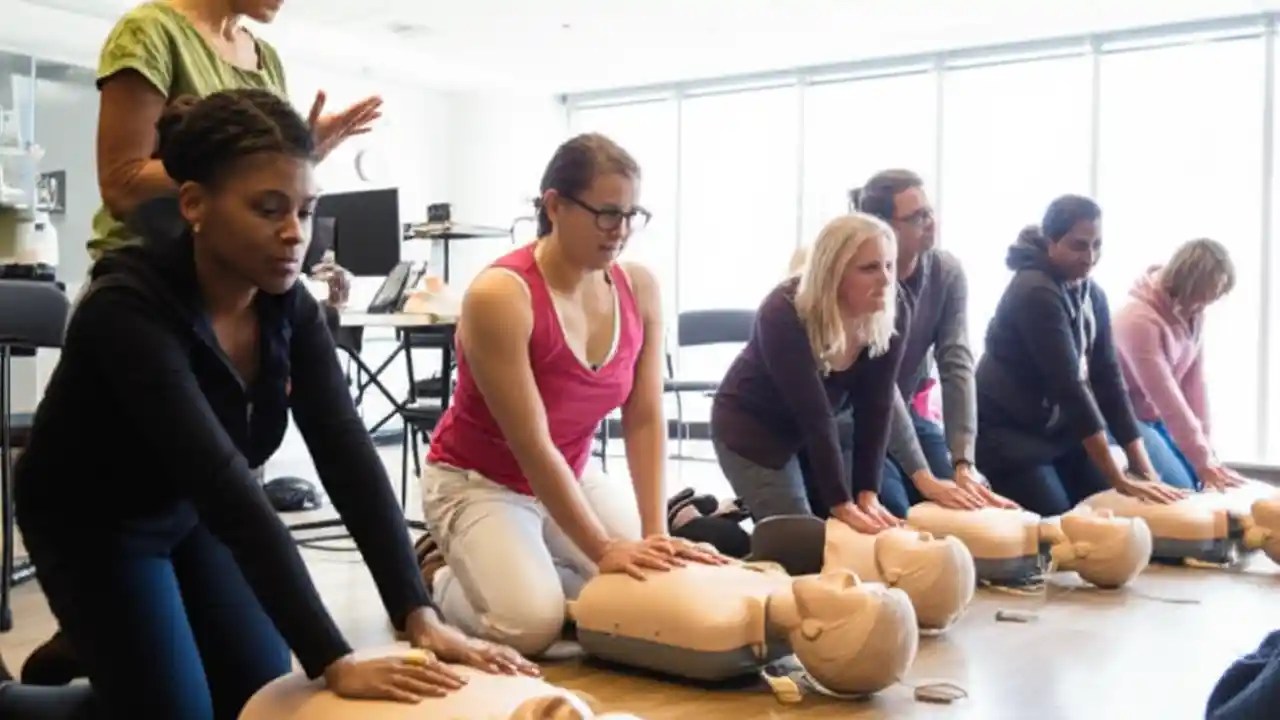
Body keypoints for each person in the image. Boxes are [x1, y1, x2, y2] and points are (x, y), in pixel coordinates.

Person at [14, 89, 537, 720]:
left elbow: (346, 455)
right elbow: (228, 490)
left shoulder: (290, 308)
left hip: (190, 515)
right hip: (95, 526)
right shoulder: (126, 310)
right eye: (268, 210)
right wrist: (333, 656)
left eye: (306, 210)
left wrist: (416, 612)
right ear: (194, 205)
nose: (295, 234)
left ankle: (114, 650)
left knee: (256, 701)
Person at [419, 133, 727, 659]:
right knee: (531, 627)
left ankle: (535, 565)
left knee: (650, 582)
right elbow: (531, 443)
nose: (622, 231)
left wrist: (655, 535)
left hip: (570, 470)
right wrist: (604, 549)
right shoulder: (500, 295)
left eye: (632, 214)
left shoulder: (640, 287)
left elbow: (646, 416)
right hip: (481, 481)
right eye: (607, 214)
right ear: (555, 205)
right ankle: (436, 575)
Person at [91, 0, 379, 260]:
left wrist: (300, 155)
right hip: (151, 273)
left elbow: (261, 181)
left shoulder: (267, 60)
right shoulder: (149, 33)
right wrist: (255, 165)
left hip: (235, 274)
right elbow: (122, 184)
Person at [973, 194, 1188, 516]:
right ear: (1051, 242)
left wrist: (1144, 471)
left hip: (1058, 434)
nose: (1089, 257)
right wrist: (1118, 477)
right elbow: (1069, 386)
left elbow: (1108, 380)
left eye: (1096, 245)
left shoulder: (1093, 294)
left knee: (1121, 506)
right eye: (1078, 245)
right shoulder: (1035, 291)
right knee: (1063, 516)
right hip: (1006, 436)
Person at [711, 212, 910, 534]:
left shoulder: (892, 308)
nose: (886, 280)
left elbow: (877, 407)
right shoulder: (784, 311)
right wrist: (841, 503)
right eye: (869, 268)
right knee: (804, 543)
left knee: (879, 516)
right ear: (833, 273)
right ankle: (698, 523)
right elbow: (814, 414)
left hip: (813, 435)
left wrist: (866, 493)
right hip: (755, 431)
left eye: (890, 265)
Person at [846, 169, 1017, 518]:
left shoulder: (946, 271)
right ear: (884, 226)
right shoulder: (862, 280)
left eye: (929, 212)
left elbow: (956, 363)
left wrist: (963, 460)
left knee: (970, 502)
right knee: (897, 509)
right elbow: (881, 388)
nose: (930, 223)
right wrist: (923, 478)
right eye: (917, 217)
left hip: (904, 413)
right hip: (850, 421)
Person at [1112, 238, 1245, 492]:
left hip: (1152, 416)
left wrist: (1207, 454)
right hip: (1119, 417)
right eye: (1203, 298)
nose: (1204, 307)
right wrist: (1200, 460)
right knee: (1183, 488)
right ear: (1188, 283)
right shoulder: (1137, 321)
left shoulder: (1193, 314)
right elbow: (1166, 397)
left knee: (1205, 479)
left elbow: (1195, 386)